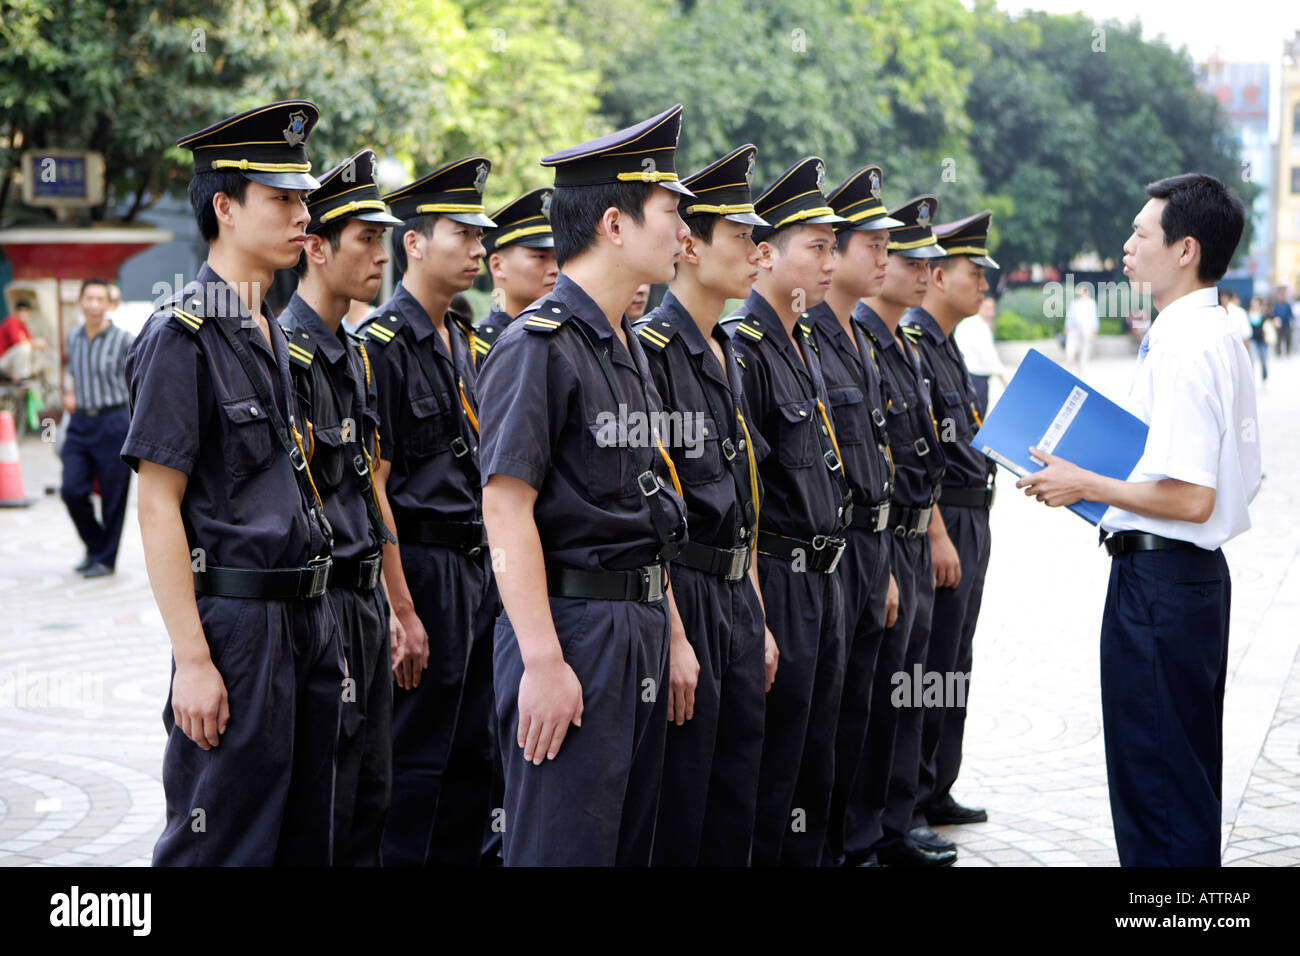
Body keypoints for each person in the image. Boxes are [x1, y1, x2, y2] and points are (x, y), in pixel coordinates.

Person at [123, 100, 344, 865]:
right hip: (239, 627)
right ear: (225, 206)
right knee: (222, 842)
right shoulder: (180, 336)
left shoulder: (268, 332)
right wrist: (193, 659)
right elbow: (157, 506)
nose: (302, 215)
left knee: (300, 839)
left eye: (303, 197)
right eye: (282, 199)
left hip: (305, 618)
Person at [1018, 172, 1260, 866]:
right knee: (1181, 780)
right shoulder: (1215, 331)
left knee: (1157, 788)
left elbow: (1192, 498)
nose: (1125, 248)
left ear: (1185, 250)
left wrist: (1084, 481)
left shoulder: (1186, 346)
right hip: (1189, 583)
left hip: (1160, 586)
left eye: (1139, 234)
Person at [476, 104, 691, 866]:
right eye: (671, 212)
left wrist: (670, 632)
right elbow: (504, 511)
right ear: (615, 223)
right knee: (563, 850)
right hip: (571, 633)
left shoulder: (620, 345)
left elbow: (638, 503)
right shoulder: (537, 346)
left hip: (631, 629)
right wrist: (541, 659)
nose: (684, 235)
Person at [633, 144, 774, 866]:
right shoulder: (651, 351)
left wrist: (757, 615)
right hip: (684, 592)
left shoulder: (730, 349)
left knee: (734, 794)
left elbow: (743, 500)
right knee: (680, 803)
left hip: (735, 593)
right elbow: (654, 518)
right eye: (742, 237)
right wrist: (678, 638)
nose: (757, 251)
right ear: (689, 247)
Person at [363, 156, 499, 867]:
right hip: (421, 566)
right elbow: (375, 482)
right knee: (417, 755)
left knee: (473, 749)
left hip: (472, 568)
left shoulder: (460, 340)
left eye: (481, 236)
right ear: (413, 242)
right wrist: (401, 607)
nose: (479, 248)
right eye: (462, 234)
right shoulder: (383, 346)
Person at [719, 155, 850, 866]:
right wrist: (763, 613)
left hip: (823, 578)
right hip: (781, 579)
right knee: (771, 768)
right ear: (765, 256)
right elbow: (748, 500)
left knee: (813, 755)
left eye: (834, 247)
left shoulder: (801, 343)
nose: (829, 263)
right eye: (817, 247)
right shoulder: (748, 350)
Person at [279, 147, 403, 866]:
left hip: (365, 603)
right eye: (366, 238)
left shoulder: (354, 355)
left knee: (371, 798)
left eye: (384, 238)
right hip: (323, 610)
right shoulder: (286, 355)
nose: (379, 254)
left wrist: (394, 606)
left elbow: (367, 484)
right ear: (316, 249)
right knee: (324, 800)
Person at [844, 195, 955, 867]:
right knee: (874, 696)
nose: (909, 270)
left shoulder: (898, 345)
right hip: (873, 543)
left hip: (908, 536)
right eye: (892, 254)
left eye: (914, 257)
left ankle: (896, 817)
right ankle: (872, 828)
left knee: (909, 685)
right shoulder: (858, 340)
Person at [812, 163, 903, 867]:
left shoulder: (859, 341)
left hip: (871, 551)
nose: (884, 256)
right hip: (825, 554)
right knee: (829, 719)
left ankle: (860, 839)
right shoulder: (803, 337)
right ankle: (837, 845)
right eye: (868, 243)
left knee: (866, 707)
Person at [904, 210, 999, 837]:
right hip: (945, 516)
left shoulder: (946, 344)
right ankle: (911, 796)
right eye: (974, 272)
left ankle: (937, 785)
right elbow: (914, 454)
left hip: (973, 512)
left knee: (953, 657)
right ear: (938, 276)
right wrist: (937, 530)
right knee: (927, 660)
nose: (984, 285)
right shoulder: (912, 341)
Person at [61, 278, 135, 578]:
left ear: (109, 305)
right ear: (80, 302)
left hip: (113, 421)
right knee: (71, 489)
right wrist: (69, 392)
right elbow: (71, 370)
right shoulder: (74, 338)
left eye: (99, 299)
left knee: (113, 495)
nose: (93, 305)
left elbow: (136, 381)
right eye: (88, 298)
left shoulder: (124, 340)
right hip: (80, 422)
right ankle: (95, 545)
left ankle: (105, 559)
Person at [474, 187, 558, 359]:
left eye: (558, 258)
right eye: (540, 256)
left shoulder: (563, 338)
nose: (555, 269)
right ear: (498, 265)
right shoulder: (475, 349)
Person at [953, 293, 1008, 416]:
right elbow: (989, 356)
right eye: (988, 308)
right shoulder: (976, 325)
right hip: (974, 378)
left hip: (967, 377)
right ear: (980, 306)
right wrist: (1004, 382)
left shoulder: (971, 323)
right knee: (976, 417)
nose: (991, 313)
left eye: (993, 308)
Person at [0, 300, 50, 383]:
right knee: (25, 347)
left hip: (12, 361)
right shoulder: (12, 321)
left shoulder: (24, 326)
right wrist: (35, 343)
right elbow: (17, 341)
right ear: (16, 312)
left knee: (38, 344)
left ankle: (32, 373)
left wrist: (37, 343)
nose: (24, 314)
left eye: (26, 311)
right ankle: (22, 376)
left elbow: (30, 343)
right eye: (21, 311)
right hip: (3, 361)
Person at [1064, 283, 1098, 374]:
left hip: (1087, 328)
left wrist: (1094, 330)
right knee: (1071, 346)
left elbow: (1094, 317)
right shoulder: (1075, 303)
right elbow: (1069, 315)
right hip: (1074, 328)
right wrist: (1067, 326)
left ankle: (1081, 368)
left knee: (1085, 348)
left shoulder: (1091, 303)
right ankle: (1070, 362)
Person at [1247, 294, 1269, 382]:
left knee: (1263, 359)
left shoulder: (1263, 313)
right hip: (1253, 339)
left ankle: (1264, 376)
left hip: (1262, 339)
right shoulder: (1248, 313)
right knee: (1253, 358)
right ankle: (1251, 376)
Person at [1271, 286, 1293, 357]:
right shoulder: (1276, 305)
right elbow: (1273, 314)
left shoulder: (1287, 305)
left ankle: (1287, 352)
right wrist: (1275, 319)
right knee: (1278, 339)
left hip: (1286, 324)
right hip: (1278, 325)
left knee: (1288, 339)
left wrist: (1290, 319)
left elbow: (1291, 314)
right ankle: (1278, 353)